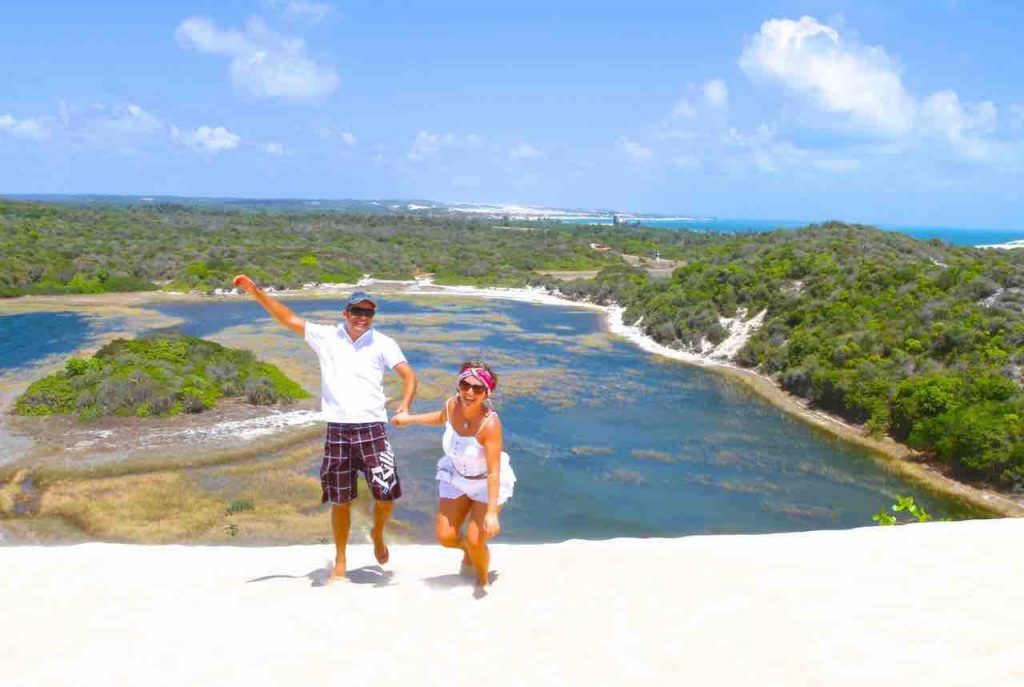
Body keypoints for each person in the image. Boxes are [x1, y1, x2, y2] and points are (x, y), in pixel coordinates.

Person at [233, 275, 417, 583]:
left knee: (386, 495)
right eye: (357, 312)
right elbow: (287, 318)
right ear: (345, 314)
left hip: (373, 428)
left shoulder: (383, 343)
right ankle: (341, 563)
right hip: (338, 431)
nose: (362, 318)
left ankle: (377, 532)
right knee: (340, 499)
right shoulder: (326, 336)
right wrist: (255, 291)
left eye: (368, 313)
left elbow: (409, 375)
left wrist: (406, 405)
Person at [392, 362, 514, 587]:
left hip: (484, 485)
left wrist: (492, 513)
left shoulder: (490, 425)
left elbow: (494, 473)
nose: (469, 392)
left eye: (477, 389)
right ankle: (470, 549)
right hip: (456, 478)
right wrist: (409, 419)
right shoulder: (451, 405)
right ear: (458, 386)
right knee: (446, 537)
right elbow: (440, 418)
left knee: (477, 539)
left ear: (487, 392)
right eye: (465, 385)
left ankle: (482, 579)